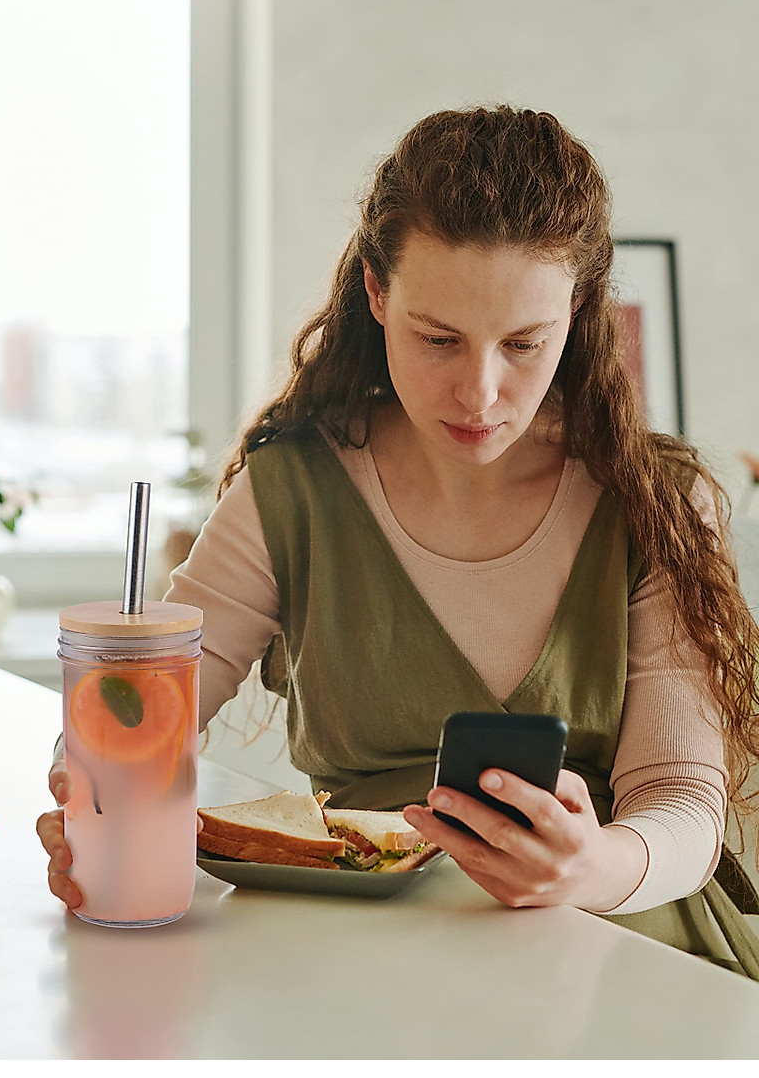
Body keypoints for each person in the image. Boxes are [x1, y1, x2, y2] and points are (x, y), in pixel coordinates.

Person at [37, 105, 759, 976]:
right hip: (367, 954)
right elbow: (150, 700)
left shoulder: (658, 505)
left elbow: (683, 801)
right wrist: (90, 790)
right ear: (377, 292)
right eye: (438, 339)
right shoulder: (292, 489)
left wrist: (593, 864)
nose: (480, 393)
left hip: (624, 944)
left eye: (525, 344)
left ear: (576, 309)